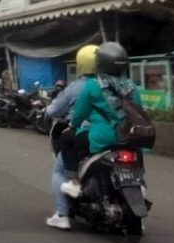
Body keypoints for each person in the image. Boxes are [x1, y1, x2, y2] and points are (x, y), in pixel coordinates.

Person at [58, 42, 142, 199]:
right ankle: (140, 183)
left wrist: (72, 126)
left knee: (66, 139)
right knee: (136, 153)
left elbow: (80, 113)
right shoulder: (131, 86)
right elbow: (139, 111)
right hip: (129, 137)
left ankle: (74, 183)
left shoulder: (93, 85)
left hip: (103, 138)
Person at [43, 44, 98, 230]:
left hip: (83, 136)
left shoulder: (76, 88)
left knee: (59, 170)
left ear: (81, 65)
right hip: (113, 137)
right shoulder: (113, 85)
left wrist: (48, 110)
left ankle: (62, 214)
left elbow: (56, 110)